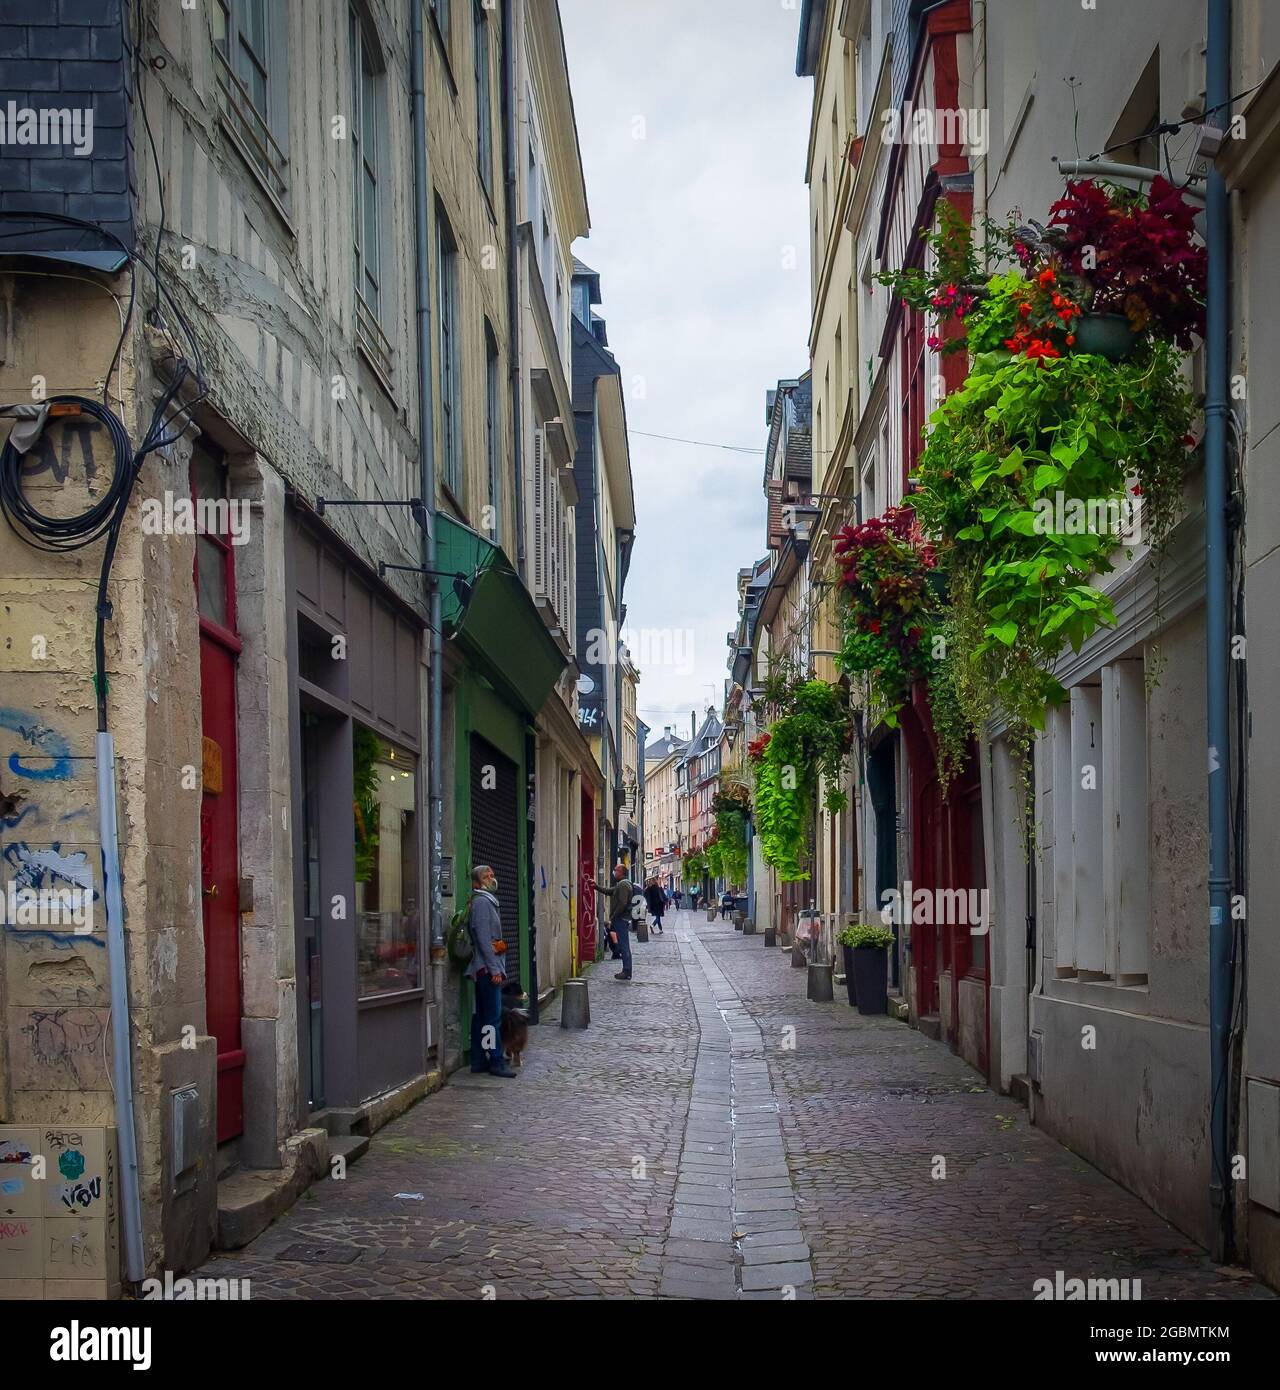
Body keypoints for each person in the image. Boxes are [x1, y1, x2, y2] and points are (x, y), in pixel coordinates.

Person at [465, 865, 516, 1077]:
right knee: (492, 1018)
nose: (491, 877)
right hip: (486, 968)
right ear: (477, 882)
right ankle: (495, 1060)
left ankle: (479, 1059)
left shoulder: (484, 902)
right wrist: (494, 969)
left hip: (484, 967)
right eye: (486, 875)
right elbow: (485, 940)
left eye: (492, 874)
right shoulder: (483, 903)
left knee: (482, 1016)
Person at [590, 863, 638, 981]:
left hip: (621, 919)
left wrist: (614, 916)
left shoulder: (623, 885)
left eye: (616, 870)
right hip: (622, 918)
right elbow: (609, 891)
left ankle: (626, 971)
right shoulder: (622, 884)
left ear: (621, 872)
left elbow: (622, 902)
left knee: (624, 945)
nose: (614, 872)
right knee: (623, 945)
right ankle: (626, 970)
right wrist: (596, 886)